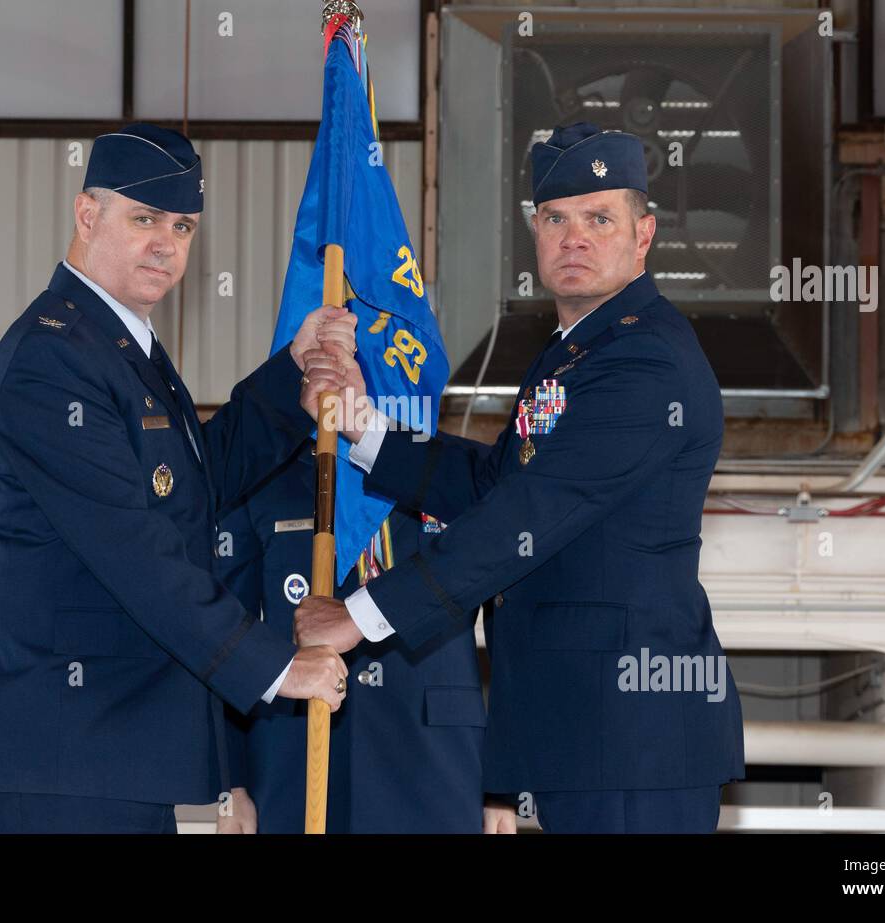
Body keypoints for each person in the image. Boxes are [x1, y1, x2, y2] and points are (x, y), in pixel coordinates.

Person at [295, 122, 745, 833]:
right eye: (556, 219)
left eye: (600, 218)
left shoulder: (645, 360)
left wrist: (359, 616)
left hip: (633, 742)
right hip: (582, 737)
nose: (575, 237)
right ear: (535, 234)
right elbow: (495, 482)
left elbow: (525, 514)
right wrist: (364, 427)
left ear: (644, 234)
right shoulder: (573, 352)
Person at [0, 123, 356, 833]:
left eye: (184, 225)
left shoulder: (118, 346)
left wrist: (294, 371)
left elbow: (186, 488)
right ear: (86, 214)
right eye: (144, 219)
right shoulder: (54, 359)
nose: (167, 242)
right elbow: (134, 548)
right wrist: (274, 666)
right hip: (63, 754)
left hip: (105, 752)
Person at [214, 442, 510, 833]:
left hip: (437, 764)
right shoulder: (262, 473)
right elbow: (230, 636)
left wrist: (503, 788)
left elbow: (508, 637)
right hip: (296, 758)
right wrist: (232, 786)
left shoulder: (467, 468)